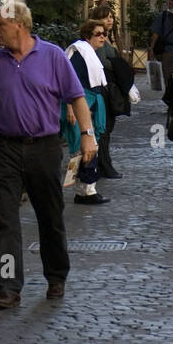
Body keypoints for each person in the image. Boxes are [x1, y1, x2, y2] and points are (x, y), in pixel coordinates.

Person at [0, 0, 97, 309]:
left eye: (1, 24)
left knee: (49, 215)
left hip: (44, 146)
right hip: (6, 148)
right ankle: (8, 286)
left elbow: (77, 97)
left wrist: (87, 136)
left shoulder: (52, 56)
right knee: (6, 220)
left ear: (20, 26)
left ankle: (56, 276)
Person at [63, 20, 110, 205]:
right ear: (87, 35)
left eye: (104, 33)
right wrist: (70, 108)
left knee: (91, 145)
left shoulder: (89, 53)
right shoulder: (79, 52)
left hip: (89, 101)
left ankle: (85, 190)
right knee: (81, 147)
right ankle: (86, 190)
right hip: (79, 103)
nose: (102, 37)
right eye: (98, 33)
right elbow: (68, 81)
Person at [89, 0, 130, 179]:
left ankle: (102, 164)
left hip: (109, 89)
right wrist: (118, 64)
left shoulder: (107, 40)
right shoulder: (99, 40)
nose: (110, 20)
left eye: (112, 16)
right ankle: (102, 165)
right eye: (106, 17)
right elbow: (101, 63)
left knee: (106, 128)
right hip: (103, 90)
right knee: (103, 128)